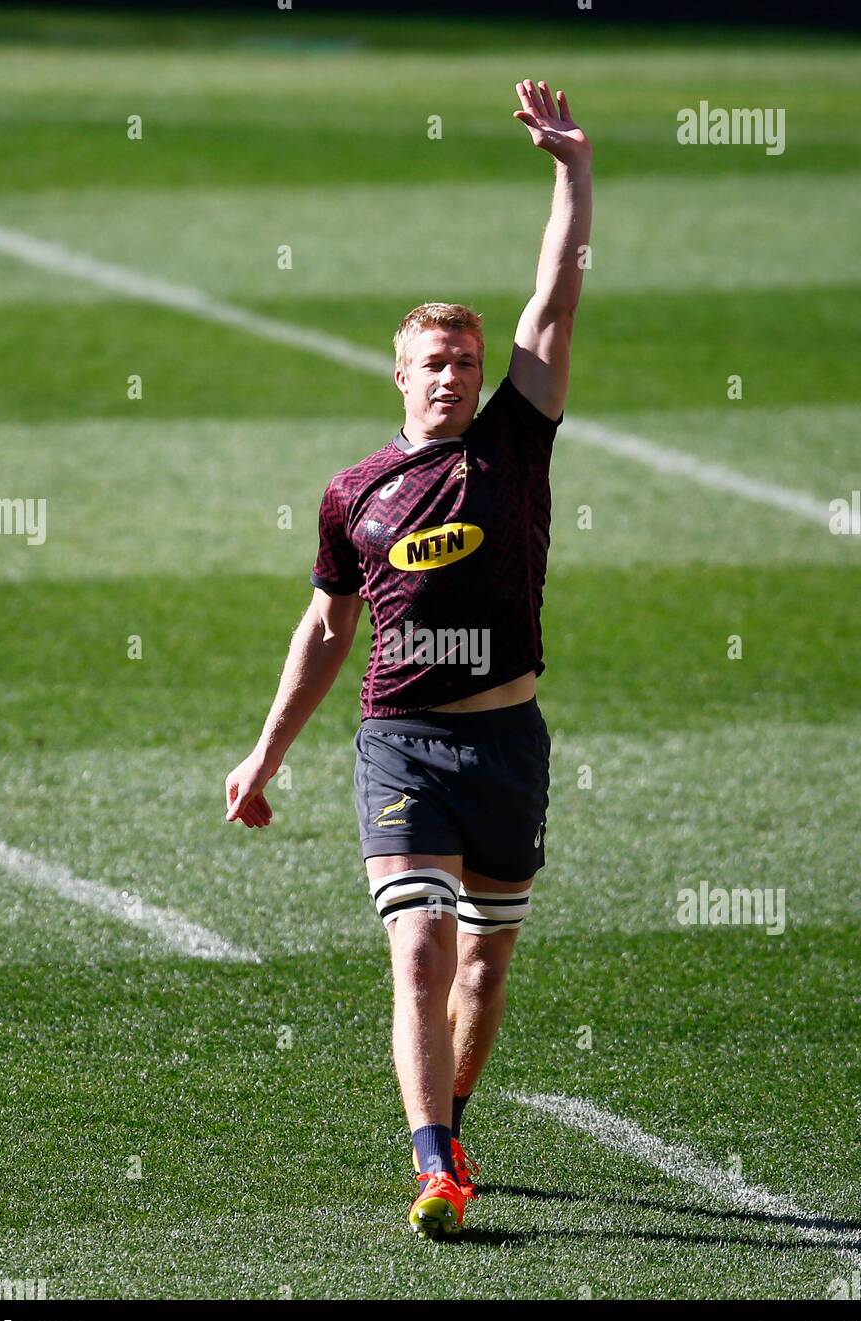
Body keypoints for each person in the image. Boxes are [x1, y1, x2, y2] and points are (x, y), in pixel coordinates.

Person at [225, 79, 592, 1238]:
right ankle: (433, 1163)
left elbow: (555, 293)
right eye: (432, 358)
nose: (453, 371)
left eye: (466, 356)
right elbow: (327, 626)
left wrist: (571, 173)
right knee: (420, 954)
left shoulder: (516, 444)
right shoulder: (354, 494)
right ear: (399, 371)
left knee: (484, 975)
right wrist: (263, 754)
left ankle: (454, 1117)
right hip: (404, 744)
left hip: (509, 741)